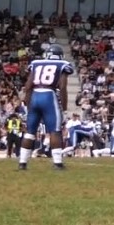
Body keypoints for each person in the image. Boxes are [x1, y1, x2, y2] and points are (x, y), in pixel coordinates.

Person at [17, 43, 75, 171]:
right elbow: (63, 87)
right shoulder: (63, 64)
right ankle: (58, 163)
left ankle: (22, 163)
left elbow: (28, 86)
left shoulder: (36, 63)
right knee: (54, 131)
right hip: (49, 95)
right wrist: (64, 108)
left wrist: (27, 103)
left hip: (35, 95)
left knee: (30, 132)